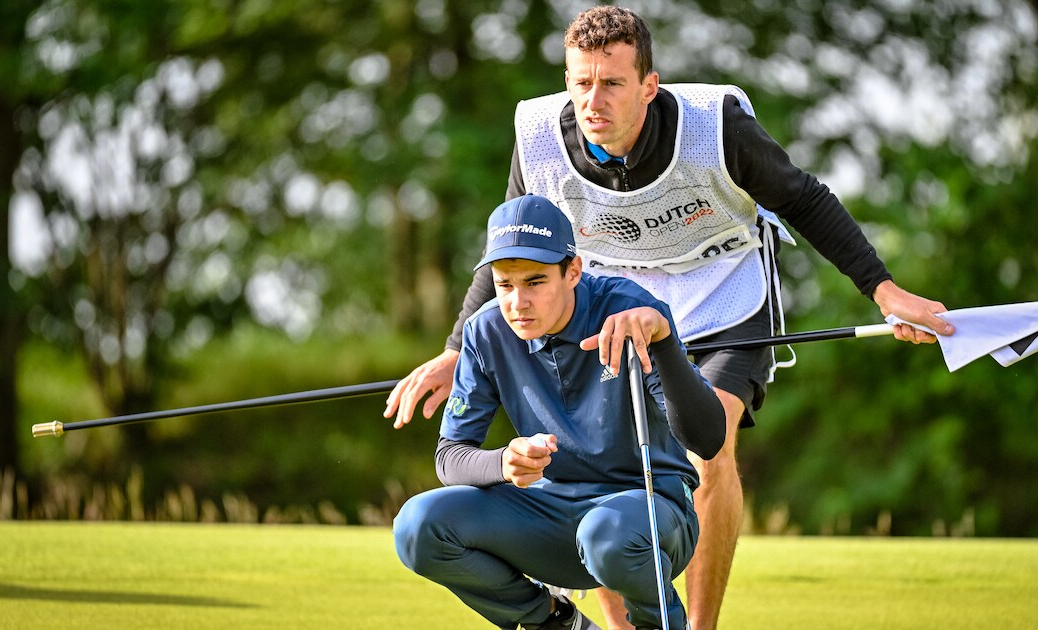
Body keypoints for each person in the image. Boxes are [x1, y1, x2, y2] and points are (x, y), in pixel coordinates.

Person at [387, 6, 955, 629]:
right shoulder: (541, 136)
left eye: (611, 83)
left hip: (722, 296)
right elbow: (512, 249)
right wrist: (456, 349)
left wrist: (883, 289)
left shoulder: (716, 126)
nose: (591, 99)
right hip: (607, 303)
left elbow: (803, 199)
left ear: (649, 86)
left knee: (709, 450)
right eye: (580, 82)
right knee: (599, 459)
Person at [393, 194, 725, 630]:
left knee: (605, 534)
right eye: (504, 284)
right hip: (550, 513)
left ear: (573, 271)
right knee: (418, 525)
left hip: (650, 510)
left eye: (535, 281)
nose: (518, 303)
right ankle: (553, 622)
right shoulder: (486, 330)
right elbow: (450, 456)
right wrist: (502, 463)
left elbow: (708, 438)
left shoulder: (629, 309)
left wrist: (662, 340)